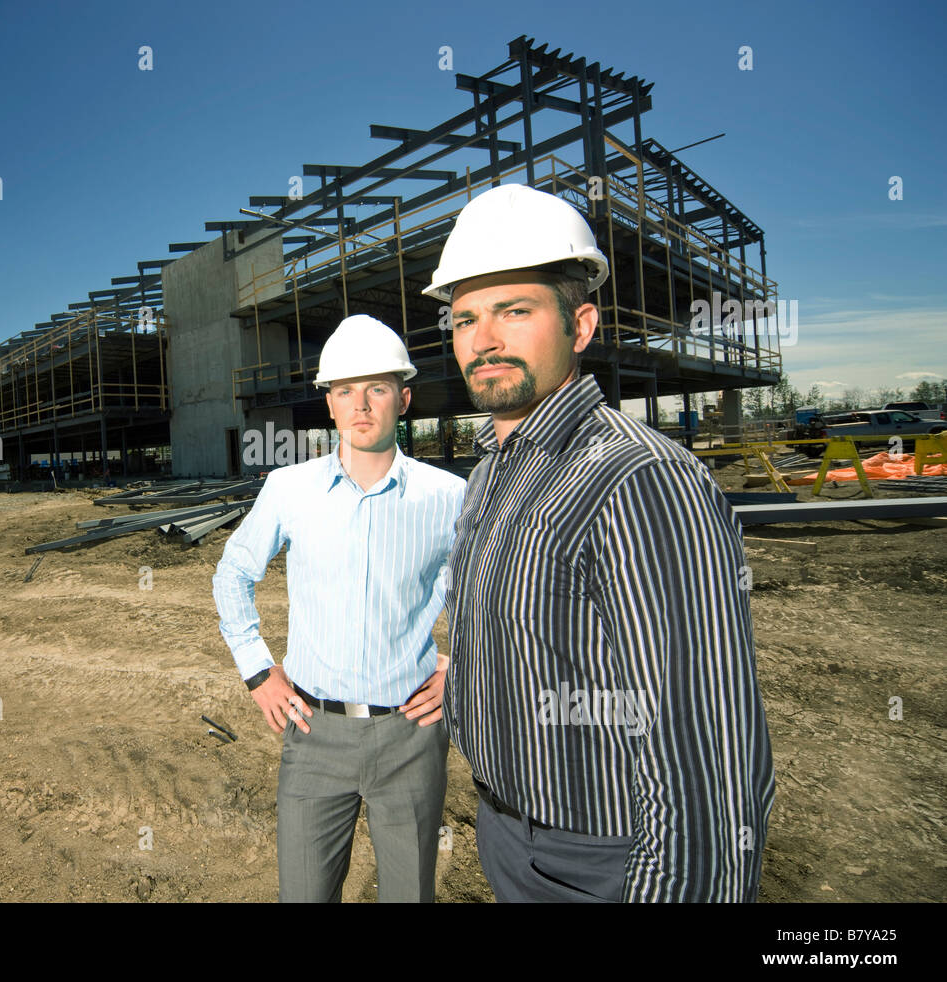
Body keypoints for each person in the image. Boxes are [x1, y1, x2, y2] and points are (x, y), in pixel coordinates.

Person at [422, 184, 775, 902]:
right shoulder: (490, 476)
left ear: (580, 326)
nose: (483, 338)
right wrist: (467, 682)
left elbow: (704, 749)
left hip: (601, 860)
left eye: (514, 311)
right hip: (506, 835)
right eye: (465, 318)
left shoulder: (638, 479)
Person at [212, 315, 466, 902]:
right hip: (314, 734)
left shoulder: (448, 497)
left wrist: (461, 662)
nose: (362, 404)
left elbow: (484, 596)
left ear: (403, 398)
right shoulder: (288, 489)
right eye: (346, 390)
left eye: (377, 388)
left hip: (410, 734)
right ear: (329, 403)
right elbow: (233, 573)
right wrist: (257, 670)